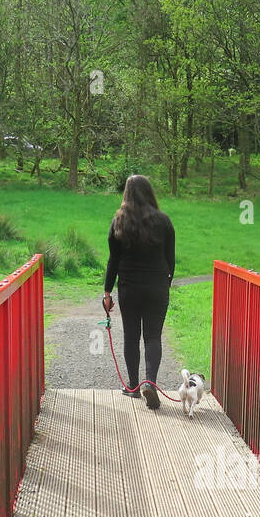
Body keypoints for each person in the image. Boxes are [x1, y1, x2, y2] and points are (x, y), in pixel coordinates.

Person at [103, 175, 175, 409]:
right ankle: (150, 384)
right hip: (156, 287)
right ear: (149, 192)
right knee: (153, 336)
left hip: (129, 288)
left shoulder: (119, 221)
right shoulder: (164, 221)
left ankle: (133, 386)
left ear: (126, 194)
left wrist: (107, 292)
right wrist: (166, 284)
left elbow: (113, 261)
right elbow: (170, 260)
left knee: (131, 336)